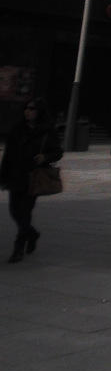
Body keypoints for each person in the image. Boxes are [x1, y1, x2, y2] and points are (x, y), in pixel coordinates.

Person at [1, 99, 62, 263]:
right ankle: (32, 234)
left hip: (33, 177)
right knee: (14, 211)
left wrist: (46, 157)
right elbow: (8, 155)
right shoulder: (17, 129)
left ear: (39, 111)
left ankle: (18, 248)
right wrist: (3, 176)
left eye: (32, 109)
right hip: (15, 175)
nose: (28, 111)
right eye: (26, 108)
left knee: (24, 212)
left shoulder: (48, 131)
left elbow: (58, 152)